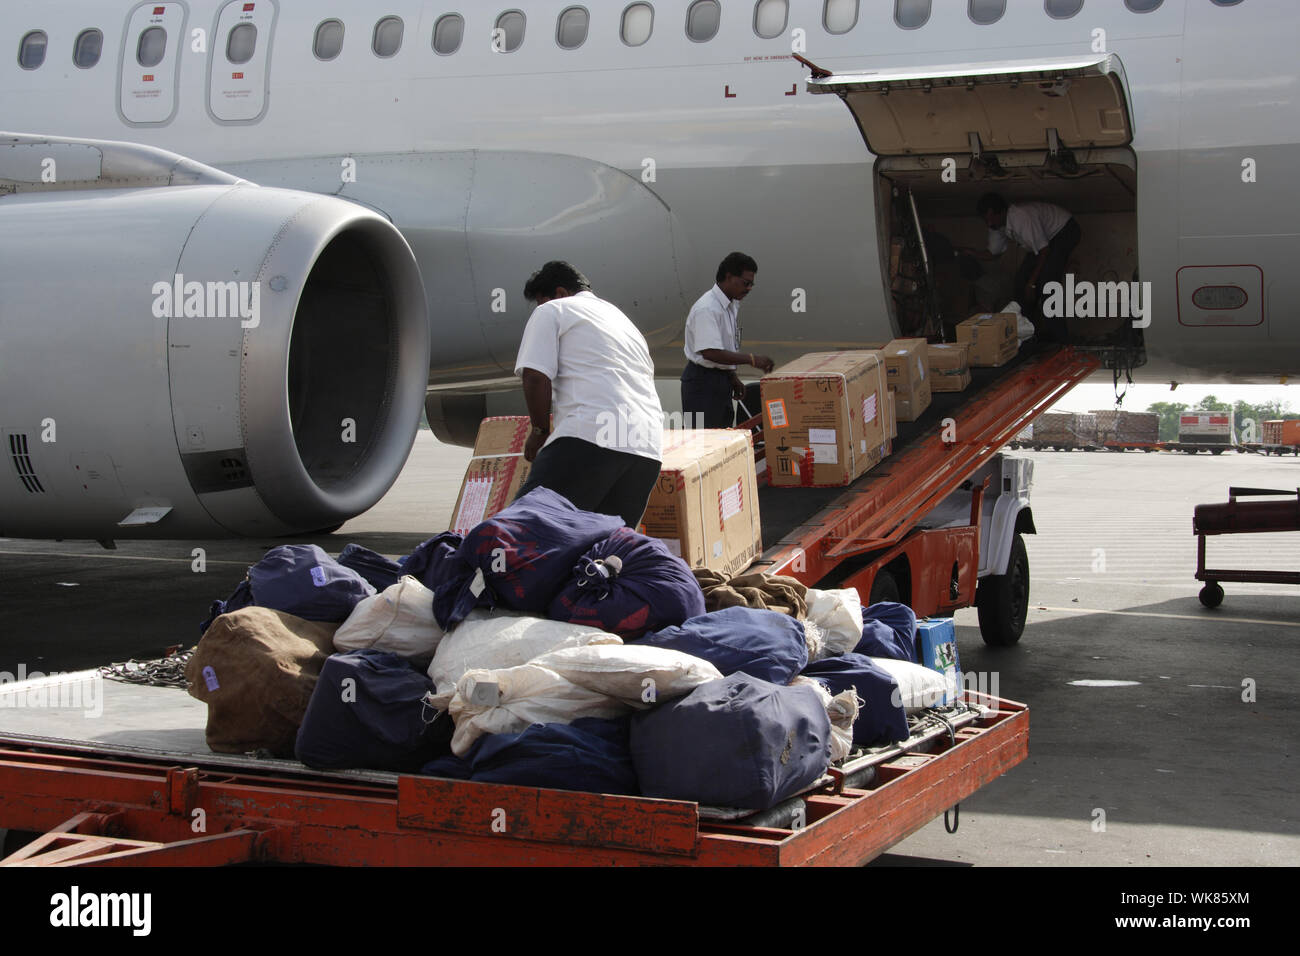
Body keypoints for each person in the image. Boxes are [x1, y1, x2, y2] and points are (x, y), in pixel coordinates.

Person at [512, 261, 663, 528]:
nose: (539, 308)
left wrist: (538, 432)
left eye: (540, 300)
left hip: (589, 436)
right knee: (603, 549)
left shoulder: (553, 310)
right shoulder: (621, 321)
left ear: (558, 293)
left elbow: (535, 376)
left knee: (524, 533)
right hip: (646, 448)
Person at [681, 252, 775, 428]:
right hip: (702, 384)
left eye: (752, 285)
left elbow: (722, 345)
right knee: (703, 444)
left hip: (719, 380)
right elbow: (710, 352)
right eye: (746, 283)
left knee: (722, 439)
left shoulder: (730, 305)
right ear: (729, 276)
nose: (748, 288)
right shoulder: (707, 308)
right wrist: (752, 359)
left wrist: (731, 376)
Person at [973, 193, 1081, 341]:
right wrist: (967, 252)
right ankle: (1028, 335)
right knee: (1020, 283)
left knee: (1046, 285)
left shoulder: (1020, 217)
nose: (989, 223)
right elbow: (993, 253)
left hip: (1064, 231)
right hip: (1042, 244)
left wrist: (1032, 283)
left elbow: (1044, 251)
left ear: (1002, 212)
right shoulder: (997, 225)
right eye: (986, 219)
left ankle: (1061, 339)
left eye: (992, 218)